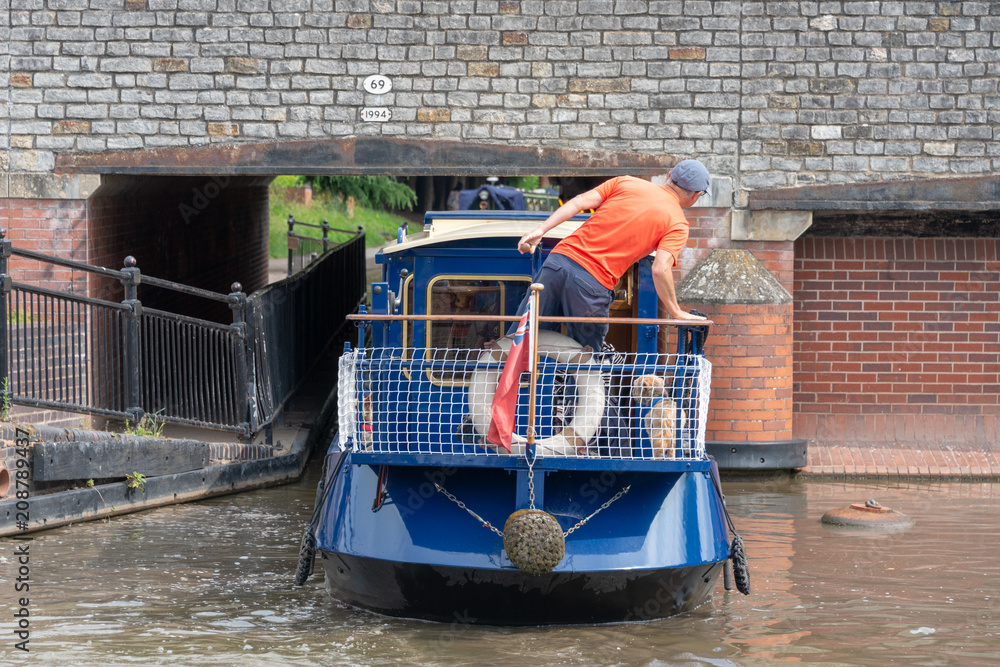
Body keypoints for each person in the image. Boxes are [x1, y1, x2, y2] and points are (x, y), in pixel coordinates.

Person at [511, 159, 710, 352]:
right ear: (696, 195)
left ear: (669, 176)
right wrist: (675, 311)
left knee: (520, 339)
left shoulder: (626, 181)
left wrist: (541, 230)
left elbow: (579, 201)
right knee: (584, 362)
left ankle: (495, 377)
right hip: (591, 283)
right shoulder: (677, 223)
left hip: (558, 261)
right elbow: (660, 269)